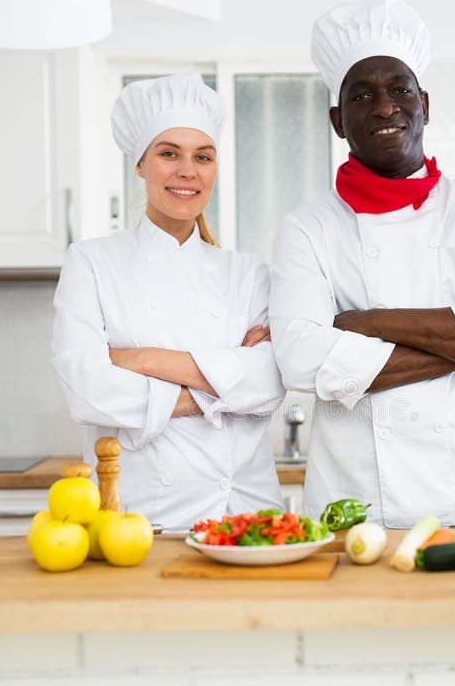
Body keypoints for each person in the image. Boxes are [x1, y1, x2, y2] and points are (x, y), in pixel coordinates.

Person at [269, 0, 455, 528]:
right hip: (359, 500)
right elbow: (302, 357)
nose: (383, 106)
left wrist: (366, 324)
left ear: (425, 103)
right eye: (361, 95)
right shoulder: (308, 228)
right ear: (336, 119)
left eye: (400, 89)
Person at [52, 72, 285, 530]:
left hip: (248, 514)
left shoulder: (248, 271)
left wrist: (140, 358)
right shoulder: (92, 262)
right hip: (145, 519)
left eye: (203, 157)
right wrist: (222, 388)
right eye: (168, 154)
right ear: (140, 165)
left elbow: (270, 381)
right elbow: (86, 391)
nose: (187, 171)